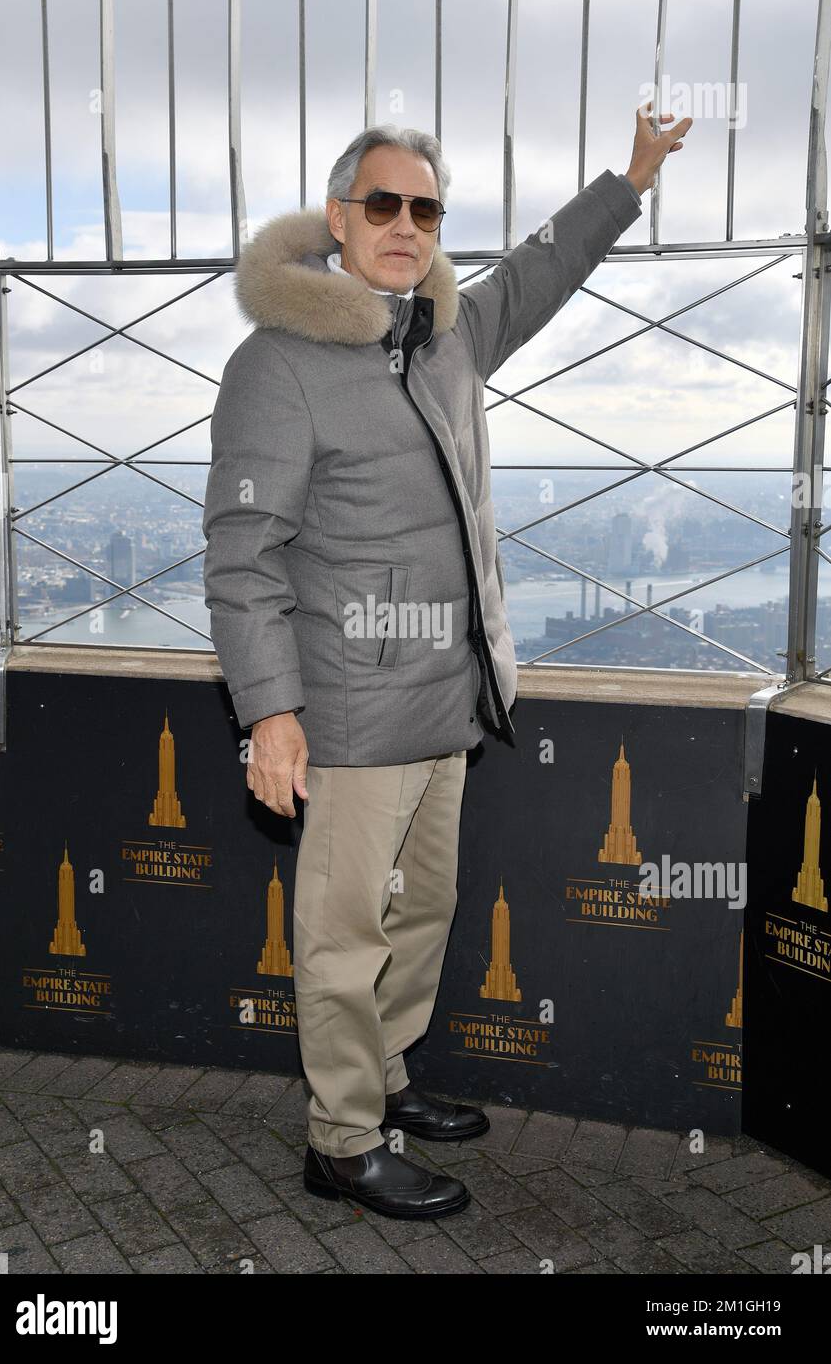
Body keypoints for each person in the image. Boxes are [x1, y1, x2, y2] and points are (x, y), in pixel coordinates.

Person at [202, 104, 691, 1220]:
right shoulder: (276, 363)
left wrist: (630, 177)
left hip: (448, 700)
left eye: (424, 207)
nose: (406, 223)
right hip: (349, 712)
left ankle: (387, 1078)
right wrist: (269, 712)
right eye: (384, 203)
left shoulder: (448, 332)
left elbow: (543, 267)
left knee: (422, 913)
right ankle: (339, 1138)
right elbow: (242, 555)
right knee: (342, 935)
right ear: (337, 218)